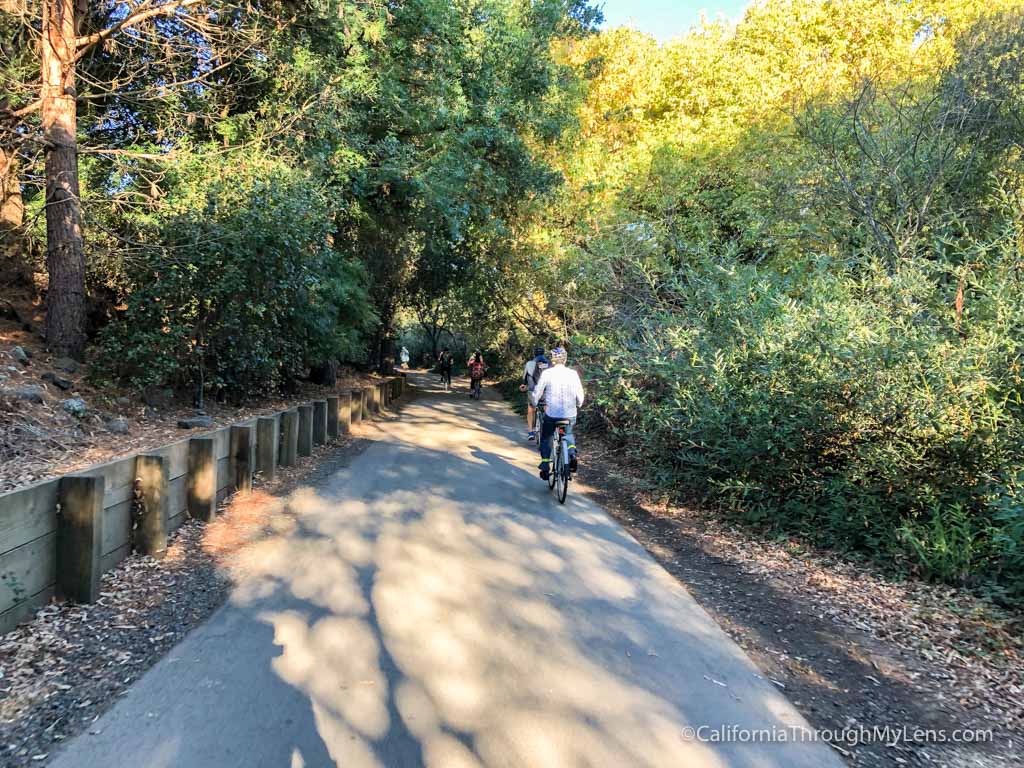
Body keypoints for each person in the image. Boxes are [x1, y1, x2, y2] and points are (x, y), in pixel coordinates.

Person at [531, 346, 584, 480]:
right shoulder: (572, 374)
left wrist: (535, 402)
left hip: (552, 413)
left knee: (546, 437)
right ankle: (571, 452)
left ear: (552, 360)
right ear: (565, 359)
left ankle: (545, 465)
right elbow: (580, 394)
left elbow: (538, 391)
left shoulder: (547, 373)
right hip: (569, 413)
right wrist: (579, 404)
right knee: (568, 433)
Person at [518, 346, 549, 442]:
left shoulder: (529, 363)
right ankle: (548, 430)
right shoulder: (549, 363)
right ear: (543, 353)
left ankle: (531, 432)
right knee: (547, 409)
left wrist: (523, 385)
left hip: (533, 390)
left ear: (534, 354)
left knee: (531, 410)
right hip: (546, 391)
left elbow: (525, 377)